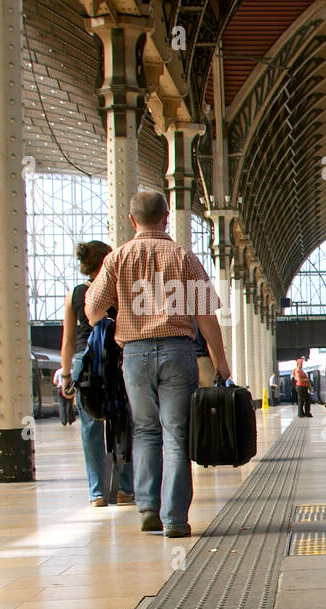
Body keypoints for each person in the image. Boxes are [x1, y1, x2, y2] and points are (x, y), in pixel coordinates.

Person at [85, 191, 231, 538]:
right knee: (177, 433)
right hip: (178, 352)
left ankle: (148, 508)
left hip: (134, 355)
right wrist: (220, 363)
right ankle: (175, 519)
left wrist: (122, 311)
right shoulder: (183, 256)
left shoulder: (117, 258)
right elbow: (205, 315)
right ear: (166, 217)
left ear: (133, 221)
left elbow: (91, 312)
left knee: (145, 430)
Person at [60, 240, 134, 507]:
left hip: (85, 363)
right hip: (116, 360)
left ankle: (97, 493)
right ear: (107, 261)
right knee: (124, 421)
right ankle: (125, 487)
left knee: (90, 427)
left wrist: (67, 374)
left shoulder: (74, 294)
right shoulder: (118, 292)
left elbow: (68, 339)